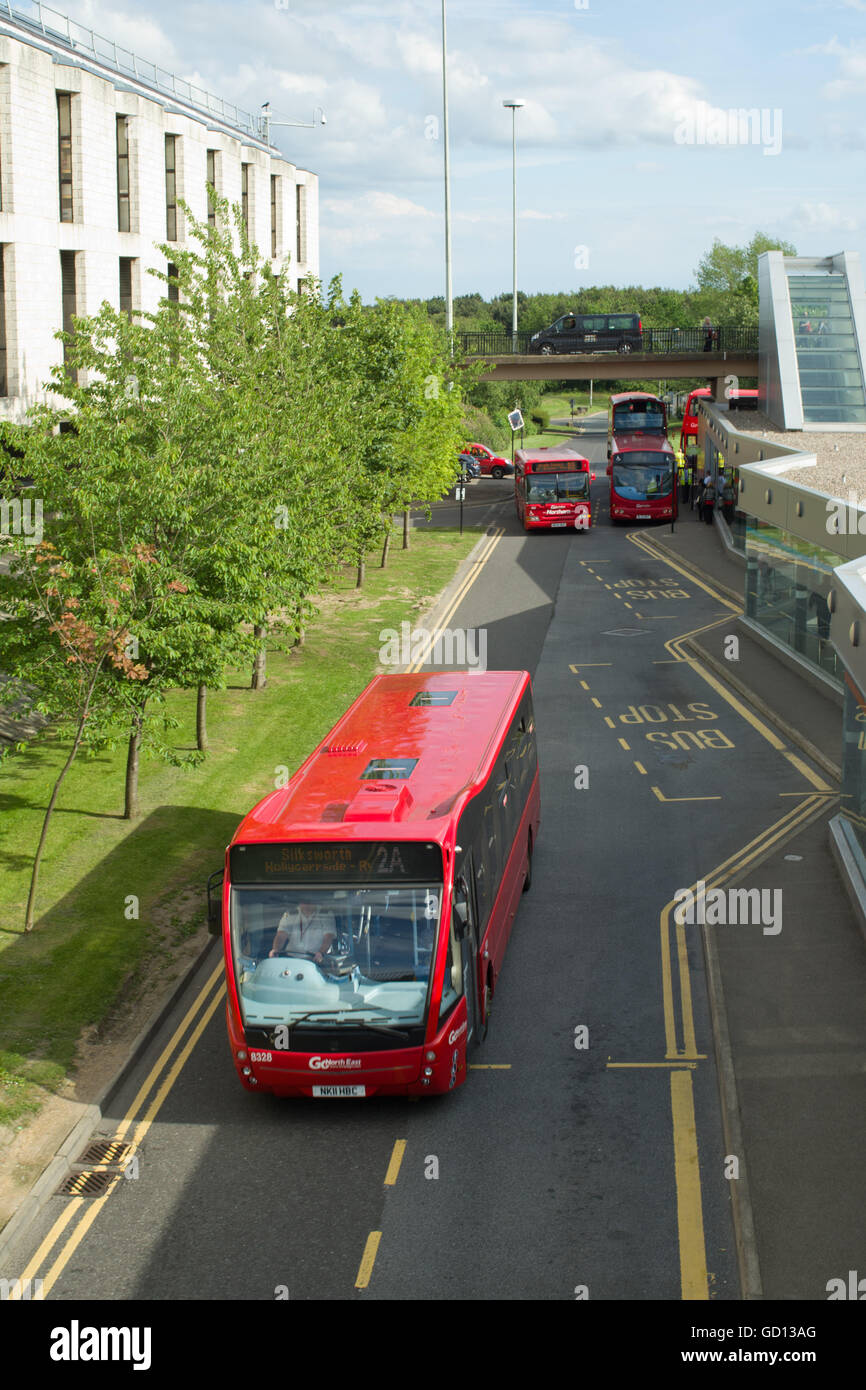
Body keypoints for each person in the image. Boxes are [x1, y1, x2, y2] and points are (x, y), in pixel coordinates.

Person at [269, 900, 337, 961]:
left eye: (309, 901)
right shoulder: (290, 914)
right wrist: (276, 949)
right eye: (303, 901)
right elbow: (281, 935)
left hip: (316, 959)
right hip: (292, 958)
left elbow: (328, 937)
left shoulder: (325, 914)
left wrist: (321, 953)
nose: (306, 904)